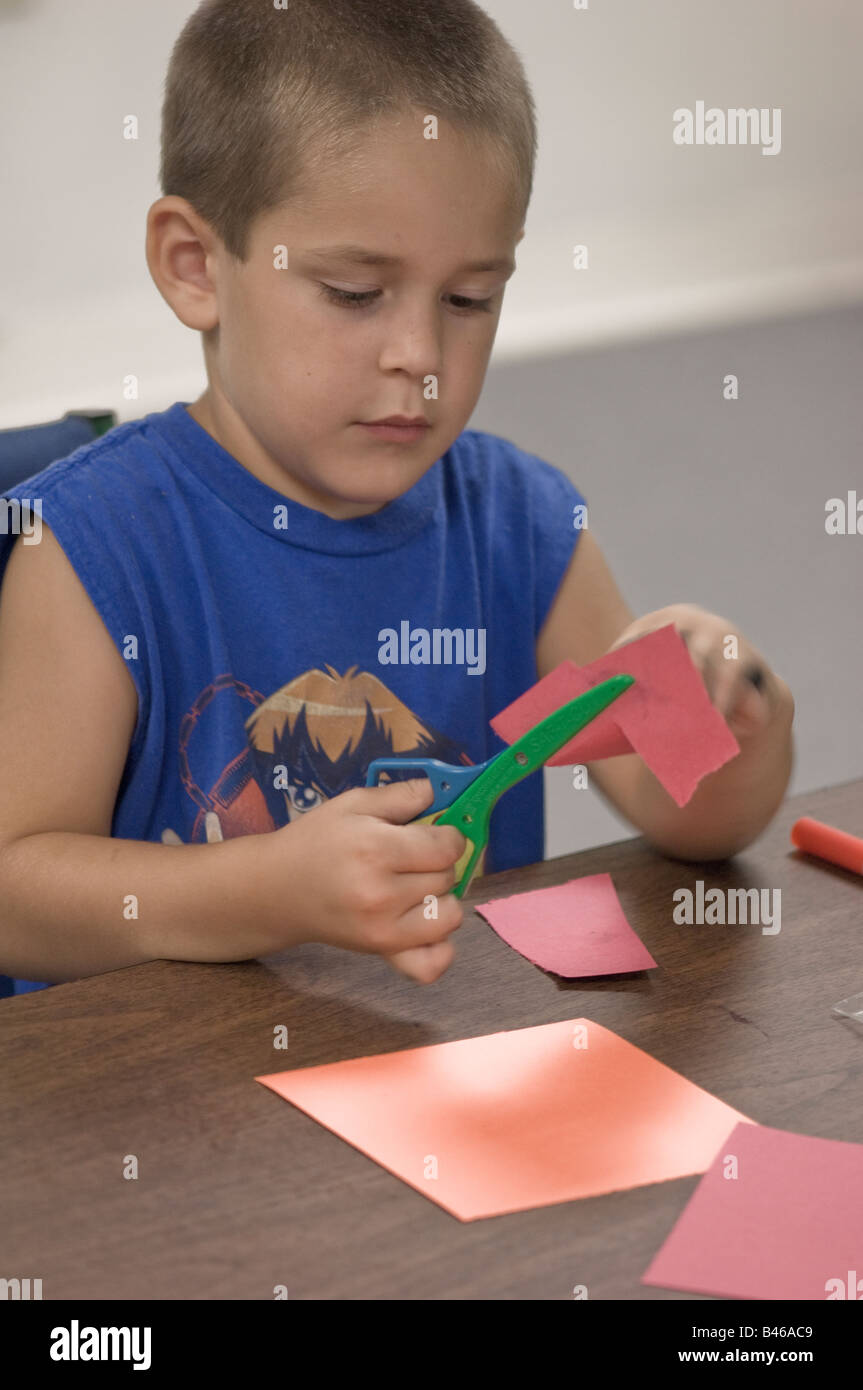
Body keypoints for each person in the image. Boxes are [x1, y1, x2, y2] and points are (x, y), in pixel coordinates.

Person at [0, 0, 794, 995]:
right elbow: (13, 891)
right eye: (352, 293)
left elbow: (690, 817)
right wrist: (267, 890)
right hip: (167, 1123)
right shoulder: (92, 547)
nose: (419, 357)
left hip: (440, 1088)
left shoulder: (519, 525)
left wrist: (736, 726)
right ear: (196, 267)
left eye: (468, 300)